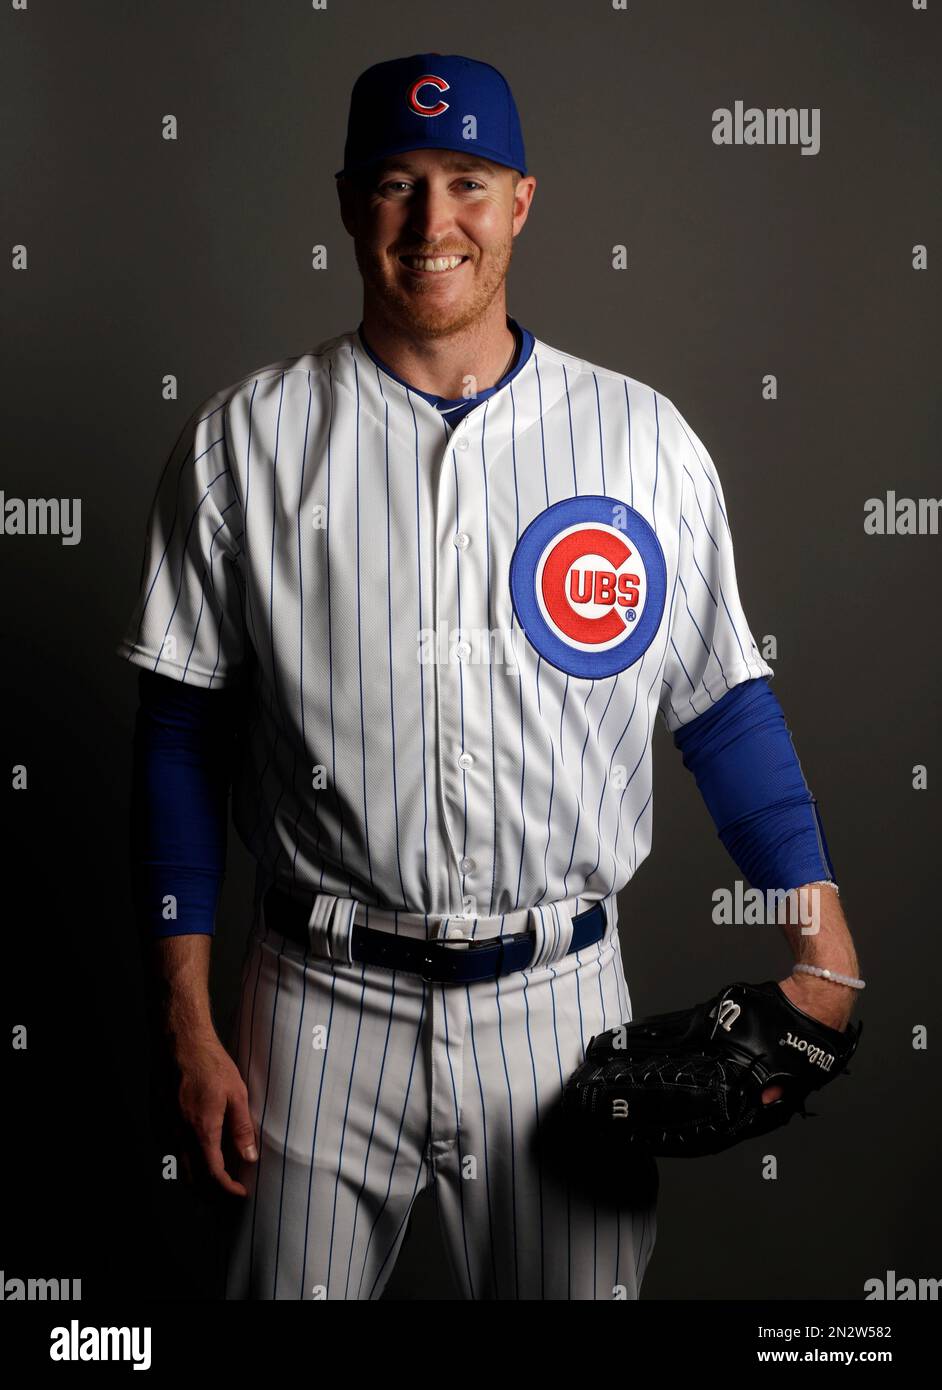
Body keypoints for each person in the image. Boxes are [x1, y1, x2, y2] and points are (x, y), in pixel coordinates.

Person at [116, 52, 860, 1301]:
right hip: (313, 1007)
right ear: (352, 207)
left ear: (522, 200)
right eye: (397, 185)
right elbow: (179, 736)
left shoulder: (639, 437)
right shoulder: (244, 442)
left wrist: (821, 938)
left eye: (466, 181)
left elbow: (723, 702)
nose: (432, 221)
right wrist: (191, 1025)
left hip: (561, 1011)